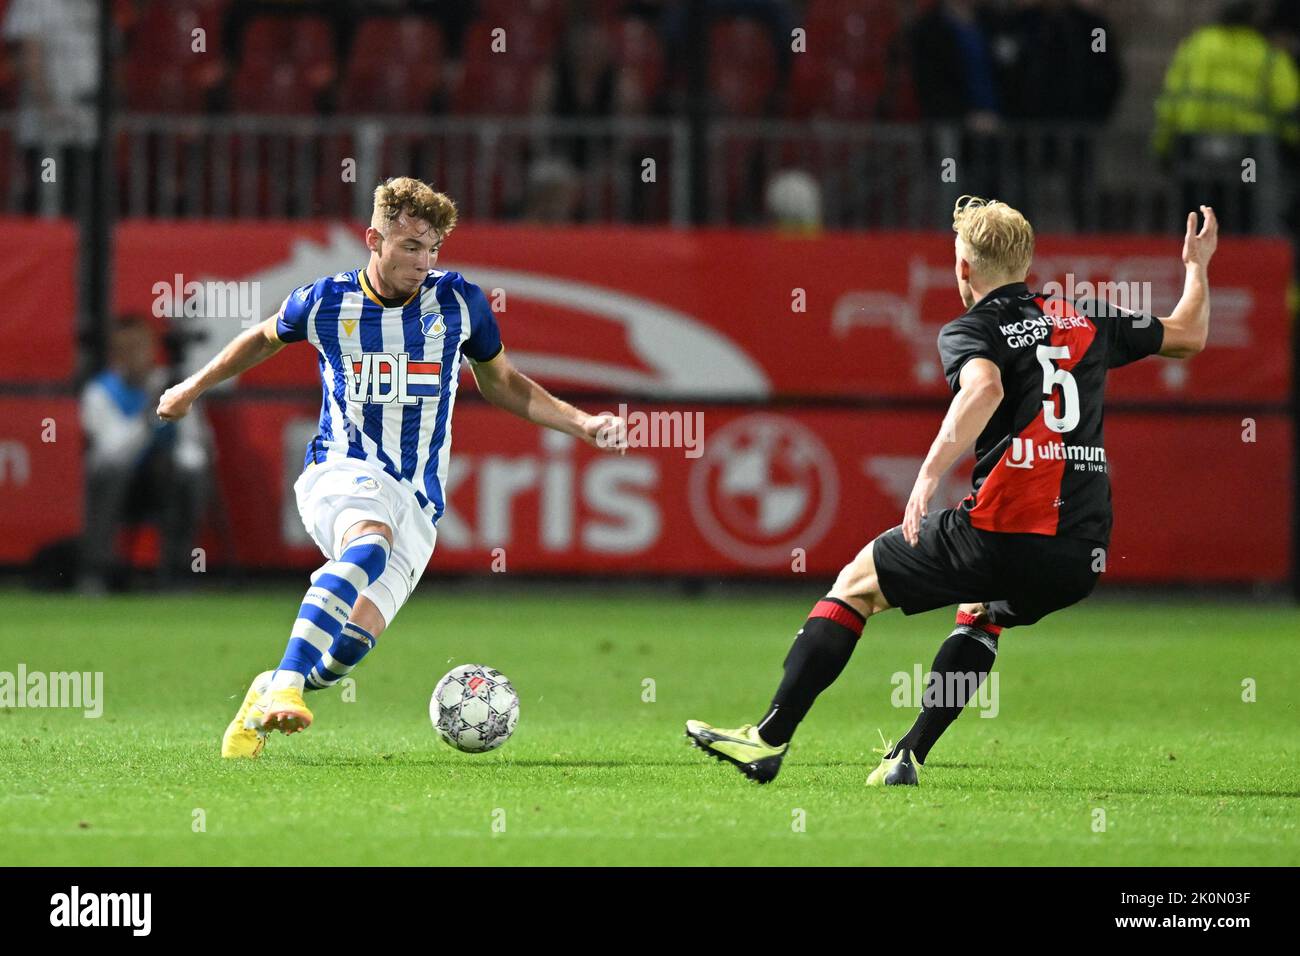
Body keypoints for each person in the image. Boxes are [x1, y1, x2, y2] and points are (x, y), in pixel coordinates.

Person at [686, 196, 1217, 785]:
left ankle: (766, 739)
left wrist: (928, 472)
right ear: (1027, 260)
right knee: (983, 611)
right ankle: (906, 757)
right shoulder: (1085, 316)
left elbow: (983, 390)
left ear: (963, 267)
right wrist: (1197, 266)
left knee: (856, 585)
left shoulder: (972, 328)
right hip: (1081, 553)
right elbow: (1189, 335)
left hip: (1008, 530)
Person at [156, 177, 627, 758]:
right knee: (368, 542)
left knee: (346, 652)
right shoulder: (327, 301)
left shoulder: (459, 303)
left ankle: (274, 688)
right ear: (373, 239)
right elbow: (261, 338)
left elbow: (502, 384)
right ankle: (285, 681)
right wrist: (191, 387)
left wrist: (582, 423)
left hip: (419, 503)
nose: (422, 262)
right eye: (409, 247)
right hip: (340, 468)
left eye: (432, 249)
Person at [80, 316, 210, 593]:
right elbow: (113, 451)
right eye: (127, 350)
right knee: (108, 472)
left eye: (141, 348)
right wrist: (150, 414)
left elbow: (193, 441)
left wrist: (189, 465)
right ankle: (98, 571)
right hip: (122, 485)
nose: (136, 356)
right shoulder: (100, 393)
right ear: (116, 356)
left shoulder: (172, 385)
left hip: (162, 481)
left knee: (190, 472)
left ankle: (176, 571)